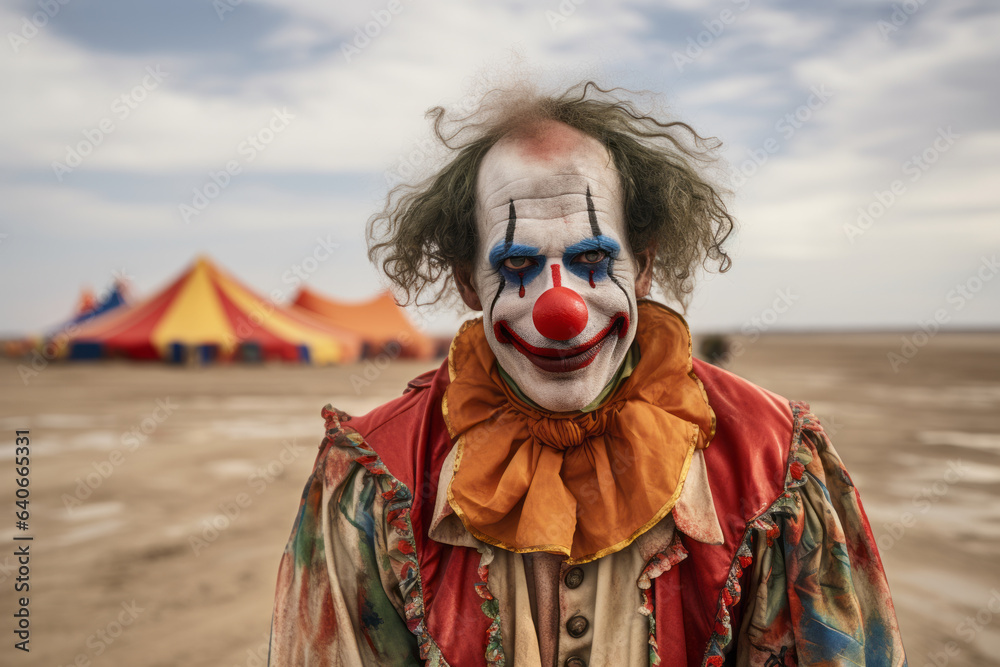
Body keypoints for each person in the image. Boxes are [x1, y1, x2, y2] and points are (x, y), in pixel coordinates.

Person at [266, 81, 907, 666]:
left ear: (644, 267)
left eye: (594, 257)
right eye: (516, 265)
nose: (561, 311)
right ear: (467, 282)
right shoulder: (374, 478)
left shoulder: (775, 462)